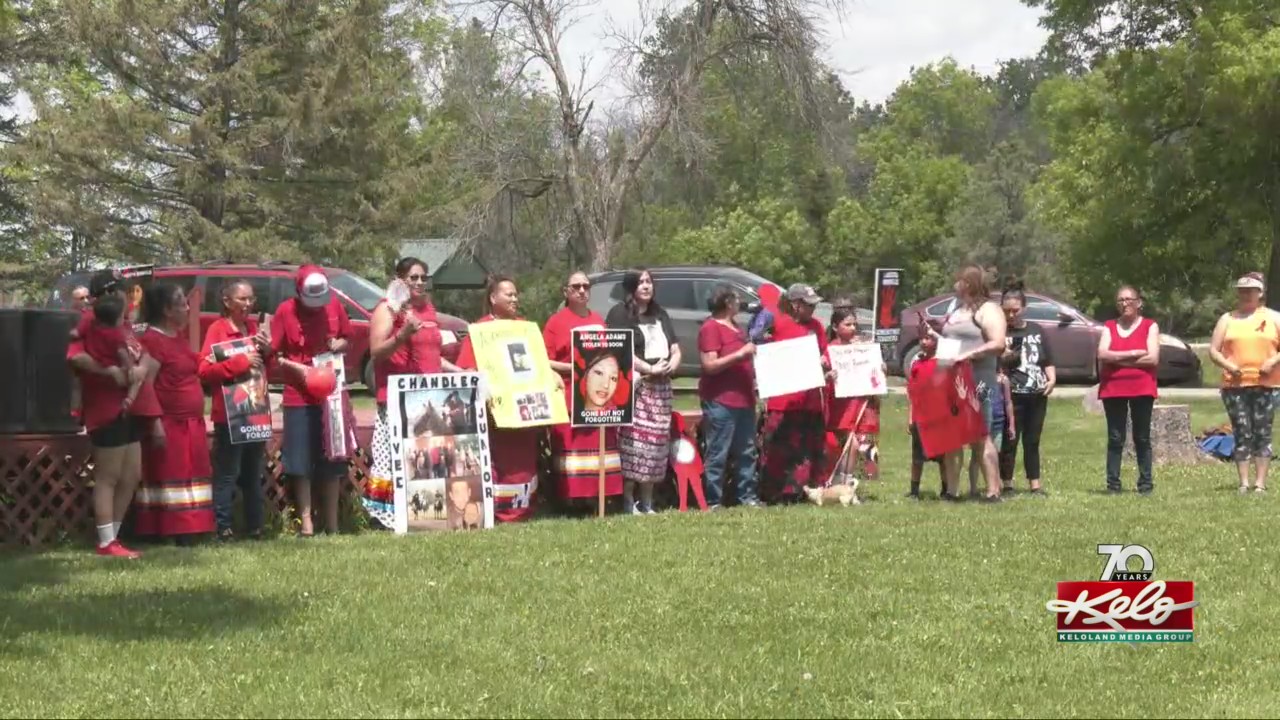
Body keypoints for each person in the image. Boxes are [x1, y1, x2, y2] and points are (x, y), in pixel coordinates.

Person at [365, 257, 461, 529]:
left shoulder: (428, 310)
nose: (419, 282)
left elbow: (432, 356)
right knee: (391, 460)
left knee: (424, 457)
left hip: (428, 399)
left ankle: (425, 514)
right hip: (397, 398)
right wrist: (402, 335)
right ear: (400, 280)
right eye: (413, 278)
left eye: (423, 278)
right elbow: (376, 352)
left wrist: (461, 373)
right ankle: (384, 519)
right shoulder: (388, 309)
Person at [66, 271, 152, 558]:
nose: (124, 296)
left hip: (129, 407)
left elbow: (141, 353)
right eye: (118, 291)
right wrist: (109, 371)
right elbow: (75, 357)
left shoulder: (122, 323)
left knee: (131, 475)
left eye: (124, 291)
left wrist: (141, 368)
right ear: (104, 295)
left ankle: (113, 538)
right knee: (109, 476)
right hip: (105, 408)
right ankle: (106, 541)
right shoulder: (91, 320)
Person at [456, 275, 545, 523]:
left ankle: (524, 506)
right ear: (493, 298)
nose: (515, 299)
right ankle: (500, 509)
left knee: (523, 459)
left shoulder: (525, 327)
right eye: (509, 294)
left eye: (516, 294)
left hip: (524, 408)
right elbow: (466, 368)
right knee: (500, 459)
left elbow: (538, 362)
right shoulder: (480, 330)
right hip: (496, 411)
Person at [271, 265, 352, 536]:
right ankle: (306, 522)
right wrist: (299, 369)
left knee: (333, 457)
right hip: (299, 393)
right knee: (300, 458)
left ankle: (333, 523)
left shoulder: (334, 306)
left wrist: (339, 344)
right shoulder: (285, 311)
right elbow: (275, 354)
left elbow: (347, 337)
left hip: (331, 393)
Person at [134, 282, 216, 544]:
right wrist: (155, 422)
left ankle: (192, 527)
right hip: (169, 424)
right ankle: (169, 530)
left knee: (191, 474)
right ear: (167, 310)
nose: (188, 308)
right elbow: (146, 384)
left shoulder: (178, 338)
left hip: (191, 424)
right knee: (171, 475)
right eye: (182, 303)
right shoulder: (152, 341)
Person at [198, 280, 272, 541]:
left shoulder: (253, 329)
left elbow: (266, 368)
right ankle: (223, 527)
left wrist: (268, 350)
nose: (248, 304)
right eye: (242, 299)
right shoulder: (217, 330)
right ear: (227, 302)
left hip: (256, 412)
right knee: (228, 474)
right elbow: (204, 371)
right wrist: (240, 362)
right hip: (230, 416)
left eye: (251, 299)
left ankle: (255, 526)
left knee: (253, 473)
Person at [543, 271, 623, 506]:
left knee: (600, 445)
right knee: (573, 447)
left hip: (598, 396)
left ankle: (601, 497)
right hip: (570, 394)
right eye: (576, 286)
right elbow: (544, 360)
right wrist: (575, 368)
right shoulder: (555, 322)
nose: (581, 290)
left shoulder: (598, 320)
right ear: (565, 292)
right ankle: (572, 501)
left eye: (586, 286)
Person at [606, 268, 682, 515]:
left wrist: (673, 363)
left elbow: (675, 347)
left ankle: (647, 502)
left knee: (656, 447)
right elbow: (620, 349)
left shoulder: (660, 314)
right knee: (635, 447)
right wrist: (648, 368)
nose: (647, 286)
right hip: (636, 387)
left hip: (661, 390)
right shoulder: (619, 313)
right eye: (641, 282)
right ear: (631, 287)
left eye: (649, 281)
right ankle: (628, 501)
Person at [939, 265, 1007, 503]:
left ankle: (993, 490)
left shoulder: (988, 309)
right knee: (952, 437)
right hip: (951, 380)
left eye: (958, 280)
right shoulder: (956, 308)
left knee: (981, 435)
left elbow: (998, 343)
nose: (954, 285)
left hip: (978, 381)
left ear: (967, 283)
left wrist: (968, 355)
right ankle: (952, 491)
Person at [1208, 272, 1280, 494]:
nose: (1246, 294)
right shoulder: (1227, 319)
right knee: (1241, 432)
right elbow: (1213, 351)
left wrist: (1272, 362)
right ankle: (1243, 483)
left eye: (1251, 291)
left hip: (1267, 385)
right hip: (1235, 386)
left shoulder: (1273, 317)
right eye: (1242, 291)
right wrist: (1229, 367)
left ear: (1260, 293)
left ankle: (1260, 484)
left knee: (1262, 433)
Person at [759, 284, 829, 504]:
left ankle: (801, 491)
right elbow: (763, 352)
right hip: (783, 400)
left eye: (814, 305)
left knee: (808, 448)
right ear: (795, 305)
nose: (812, 309)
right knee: (779, 448)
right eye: (808, 305)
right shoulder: (777, 323)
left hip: (810, 399)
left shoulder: (816, 326)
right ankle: (773, 492)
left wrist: (825, 362)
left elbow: (825, 352)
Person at [697, 285, 759, 509]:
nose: (740, 303)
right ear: (726, 303)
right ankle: (713, 500)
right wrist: (740, 355)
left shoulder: (737, 327)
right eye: (736, 299)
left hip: (744, 399)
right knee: (718, 451)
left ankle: (747, 496)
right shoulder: (711, 328)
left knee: (747, 451)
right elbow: (710, 365)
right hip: (721, 400)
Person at [1097, 284, 1160, 495]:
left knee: (1142, 437)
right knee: (1115, 438)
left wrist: (1117, 359)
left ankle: (1145, 484)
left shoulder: (1150, 326)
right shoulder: (1109, 326)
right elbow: (1102, 354)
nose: (1125, 304)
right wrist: (1133, 353)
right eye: (1121, 300)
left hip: (1142, 387)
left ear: (1138, 303)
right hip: (1113, 387)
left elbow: (1152, 358)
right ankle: (1113, 484)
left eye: (1129, 299)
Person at [997, 282, 1054, 495]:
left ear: (1024, 308)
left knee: (1032, 440)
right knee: (1010, 439)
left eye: (1015, 310)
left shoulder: (1036, 330)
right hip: (1011, 394)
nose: (1011, 315)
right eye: (1007, 311)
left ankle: (1035, 484)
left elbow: (1047, 359)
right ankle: (1007, 483)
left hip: (1037, 393)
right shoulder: (999, 331)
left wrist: (1052, 379)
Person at [825, 306, 884, 488]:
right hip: (841, 404)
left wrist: (880, 368)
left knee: (858, 442)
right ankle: (840, 479)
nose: (852, 328)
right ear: (835, 327)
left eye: (854, 325)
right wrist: (828, 374)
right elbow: (823, 377)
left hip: (859, 402)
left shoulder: (861, 348)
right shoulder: (831, 350)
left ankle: (848, 478)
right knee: (845, 441)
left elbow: (874, 371)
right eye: (848, 324)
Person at [905, 323, 944, 499]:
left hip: (939, 417)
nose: (923, 342)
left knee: (943, 457)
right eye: (921, 338)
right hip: (920, 418)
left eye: (928, 338)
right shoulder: (916, 364)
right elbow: (912, 393)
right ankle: (914, 490)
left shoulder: (943, 363)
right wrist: (910, 417)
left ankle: (946, 489)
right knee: (917, 458)